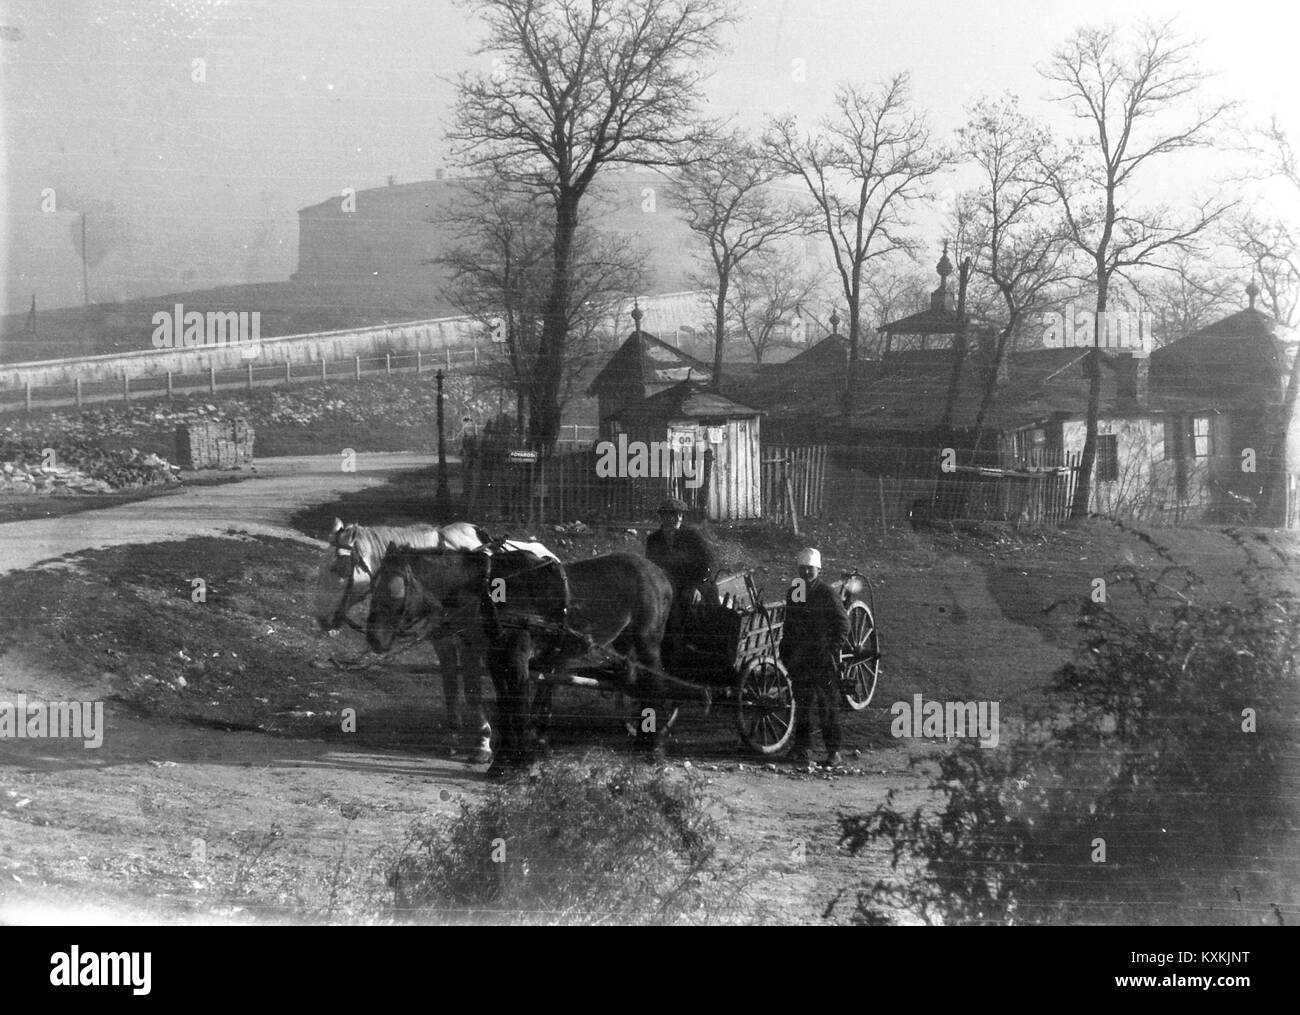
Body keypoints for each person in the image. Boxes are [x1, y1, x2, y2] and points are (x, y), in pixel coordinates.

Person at [780, 547, 849, 768]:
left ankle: (833, 752)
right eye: (802, 569)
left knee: (827, 705)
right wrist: (786, 649)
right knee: (802, 705)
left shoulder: (827, 593)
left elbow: (843, 624)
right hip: (801, 657)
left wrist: (831, 649)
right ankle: (801, 748)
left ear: (818, 570)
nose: (806, 573)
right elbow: (790, 623)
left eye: (810, 569)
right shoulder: (796, 592)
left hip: (822, 658)